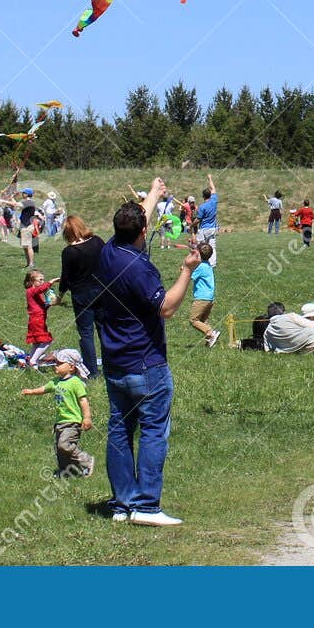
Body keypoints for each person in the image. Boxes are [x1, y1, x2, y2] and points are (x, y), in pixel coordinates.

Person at [94, 180, 198, 526]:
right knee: (154, 430)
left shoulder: (109, 251)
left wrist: (154, 193)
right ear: (142, 231)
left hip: (114, 360)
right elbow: (166, 308)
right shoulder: (139, 267)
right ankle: (147, 506)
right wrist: (187, 270)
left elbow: (140, 220)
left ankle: (122, 505)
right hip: (145, 362)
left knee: (120, 429)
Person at [20, 348, 94, 478]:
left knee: (64, 445)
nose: (56, 365)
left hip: (73, 421)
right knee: (60, 451)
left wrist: (87, 417)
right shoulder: (56, 381)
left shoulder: (76, 382)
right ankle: (66, 471)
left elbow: (83, 400)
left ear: (71, 367)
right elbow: (44, 389)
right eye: (56, 362)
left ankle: (86, 459)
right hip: (60, 422)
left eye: (59, 363)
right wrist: (31, 391)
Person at [59, 215, 105, 377]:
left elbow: (65, 278)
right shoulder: (97, 241)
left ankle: (92, 371)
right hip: (102, 291)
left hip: (81, 296)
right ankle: (112, 364)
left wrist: (59, 296)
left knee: (86, 334)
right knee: (104, 329)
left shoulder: (69, 252)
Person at [187, 240, 219, 347]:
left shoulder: (200, 267)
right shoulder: (207, 264)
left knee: (193, 320)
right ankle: (210, 340)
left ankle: (211, 333)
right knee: (203, 320)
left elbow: (189, 276)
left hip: (201, 299)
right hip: (210, 298)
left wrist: (185, 268)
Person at [24, 269, 57, 366]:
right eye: (40, 280)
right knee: (47, 341)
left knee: (36, 342)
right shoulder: (31, 291)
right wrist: (52, 281)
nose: (42, 282)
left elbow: (41, 307)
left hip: (38, 320)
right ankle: (33, 360)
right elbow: (41, 289)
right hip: (37, 321)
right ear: (31, 281)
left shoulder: (36, 294)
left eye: (43, 280)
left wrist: (50, 304)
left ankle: (31, 360)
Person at [196, 174, 219, 262]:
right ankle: (212, 263)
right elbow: (213, 188)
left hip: (204, 229)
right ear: (210, 195)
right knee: (212, 246)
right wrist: (210, 178)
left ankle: (200, 261)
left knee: (201, 246)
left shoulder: (202, 206)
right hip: (212, 228)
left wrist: (191, 225)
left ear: (203, 196)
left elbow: (198, 219)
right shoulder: (214, 200)